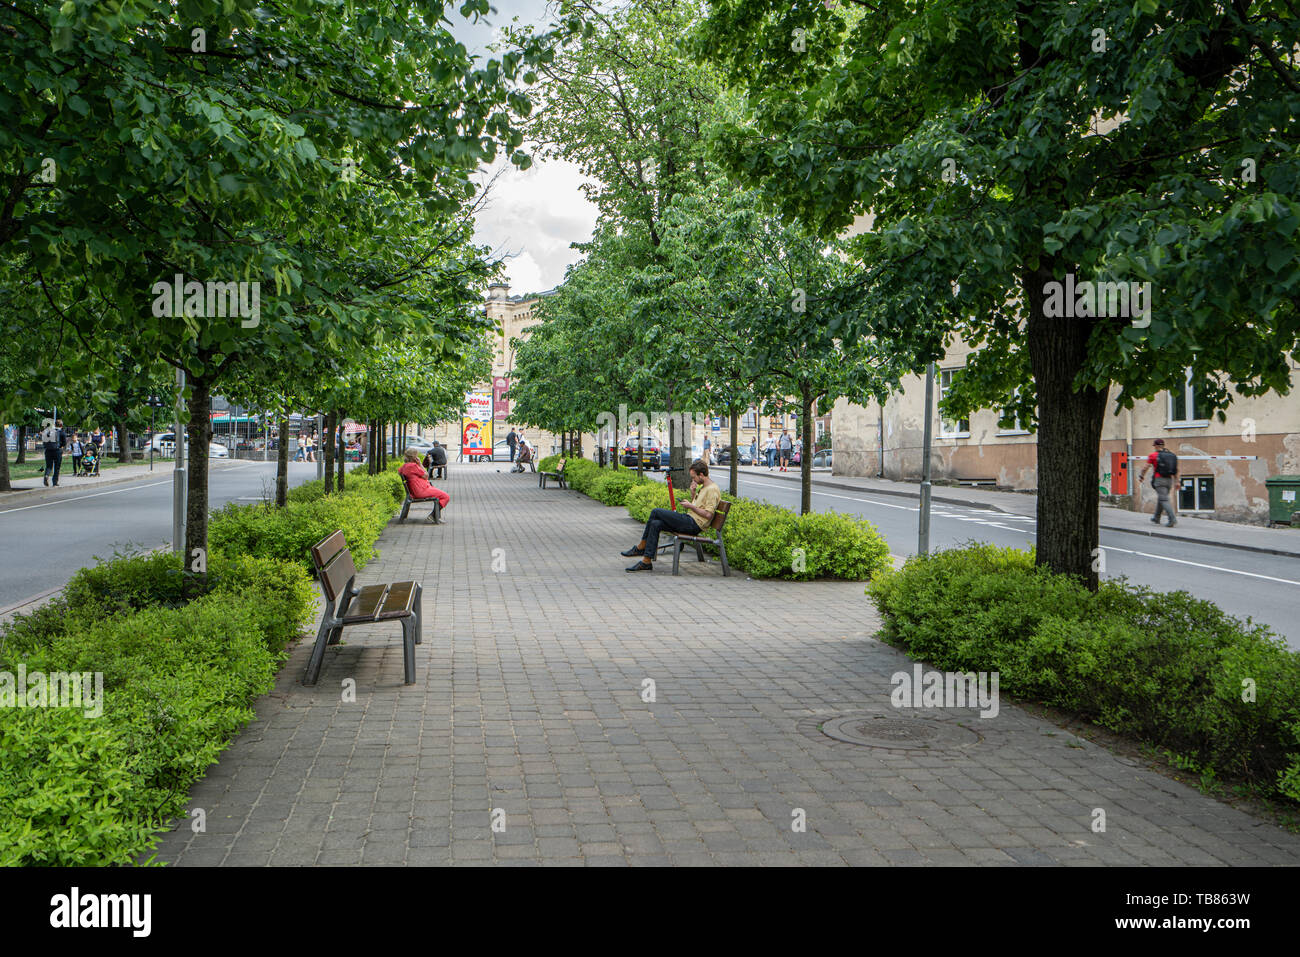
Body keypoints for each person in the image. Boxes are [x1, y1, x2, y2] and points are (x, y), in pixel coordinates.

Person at [622, 459, 721, 572]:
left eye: (694, 477)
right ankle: (646, 561)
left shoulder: (712, 490)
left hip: (693, 525)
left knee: (656, 512)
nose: (693, 480)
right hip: (689, 520)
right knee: (656, 523)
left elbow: (708, 515)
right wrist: (692, 493)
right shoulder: (704, 487)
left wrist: (691, 506)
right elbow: (698, 506)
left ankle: (640, 547)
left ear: (702, 475)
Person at [1137, 438, 1178, 528]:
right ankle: (1156, 517)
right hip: (1169, 480)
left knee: (1163, 499)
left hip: (1159, 480)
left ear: (1155, 446)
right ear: (1163, 445)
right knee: (1162, 498)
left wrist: (1141, 476)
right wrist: (1177, 481)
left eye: (1154, 446)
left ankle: (1172, 519)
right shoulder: (1171, 455)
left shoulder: (1153, 455)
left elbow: (1145, 468)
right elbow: (1175, 470)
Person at [398, 448, 449, 516]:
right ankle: (433, 516)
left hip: (417, 490)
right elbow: (426, 476)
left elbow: (400, 472)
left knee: (440, 495)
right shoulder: (413, 466)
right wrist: (420, 464)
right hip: (421, 491)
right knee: (445, 497)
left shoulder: (404, 466)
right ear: (414, 457)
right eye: (416, 455)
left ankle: (435, 516)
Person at [41, 419, 67, 486]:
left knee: (49, 466)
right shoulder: (62, 432)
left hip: (48, 450)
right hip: (57, 451)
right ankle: (55, 482)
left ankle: (46, 475)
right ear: (61, 425)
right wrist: (60, 446)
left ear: (55, 425)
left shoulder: (49, 431)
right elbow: (64, 443)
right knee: (57, 467)